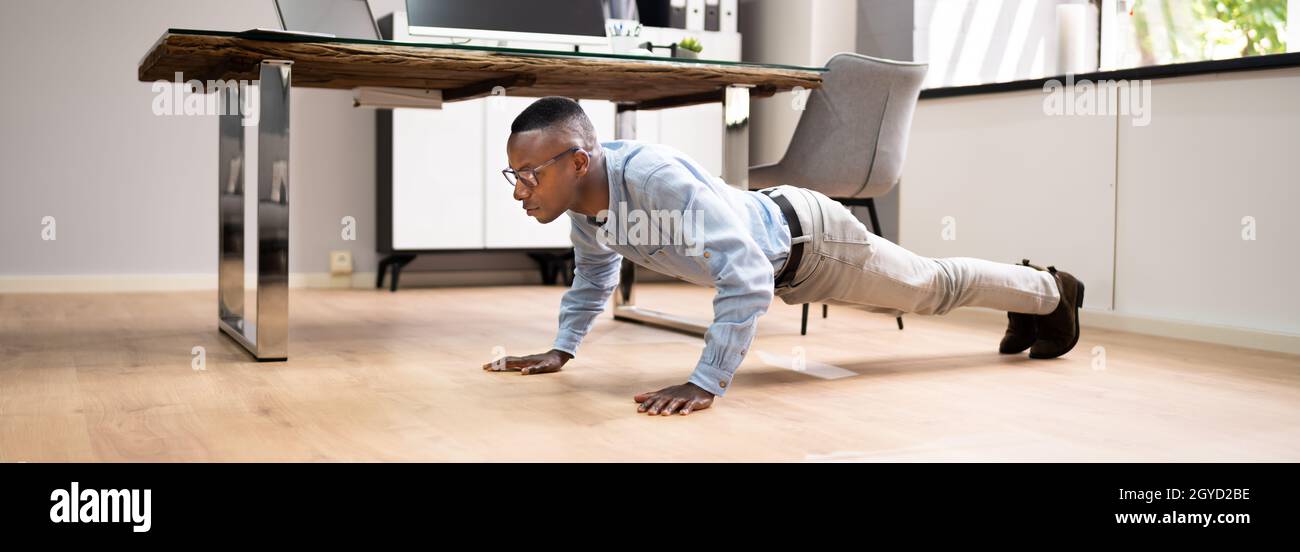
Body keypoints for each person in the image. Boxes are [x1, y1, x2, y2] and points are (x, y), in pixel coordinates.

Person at [481, 97, 1084, 417]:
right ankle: (1033, 297)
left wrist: (706, 381)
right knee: (931, 286)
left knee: (931, 288)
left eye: (530, 174)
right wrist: (563, 347)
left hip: (813, 242)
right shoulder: (588, 209)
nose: (519, 189)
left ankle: (1053, 291)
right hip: (780, 248)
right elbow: (592, 277)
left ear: (578, 162)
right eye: (515, 173)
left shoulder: (655, 177)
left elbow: (742, 277)